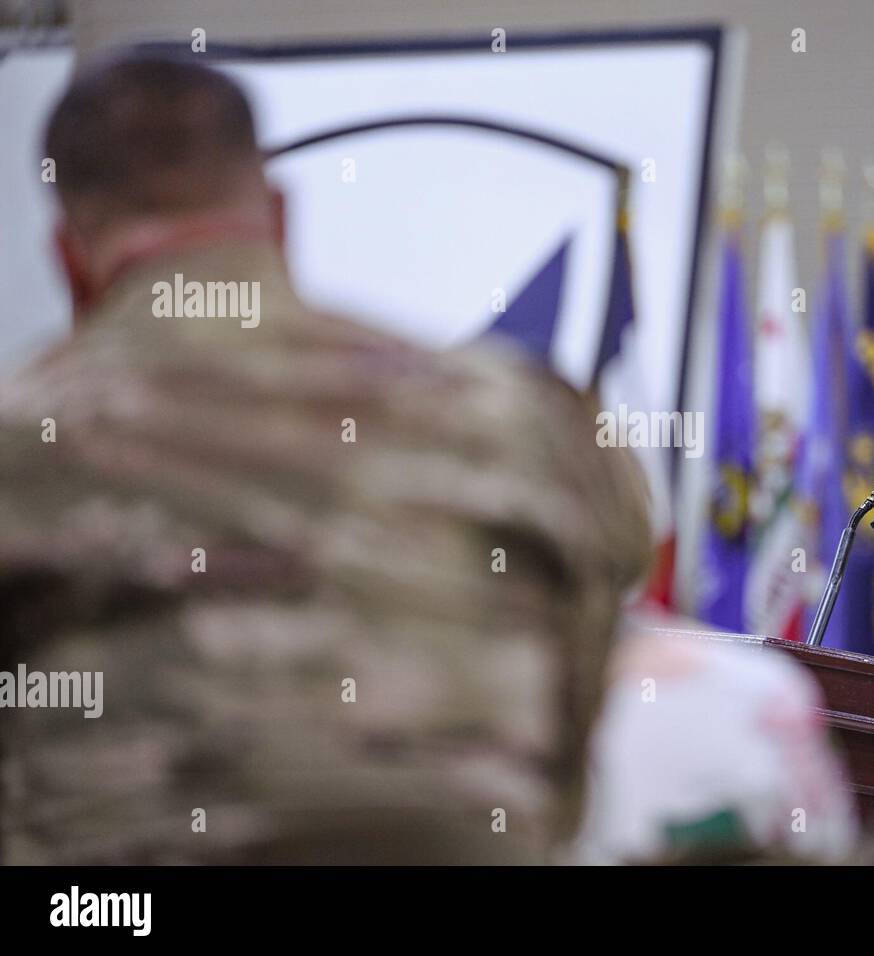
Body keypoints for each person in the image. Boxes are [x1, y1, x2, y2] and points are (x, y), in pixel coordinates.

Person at [0, 52, 650, 863]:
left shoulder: (22, 436)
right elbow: (575, 715)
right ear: (279, 217)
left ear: (67, 258)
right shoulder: (526, 417)